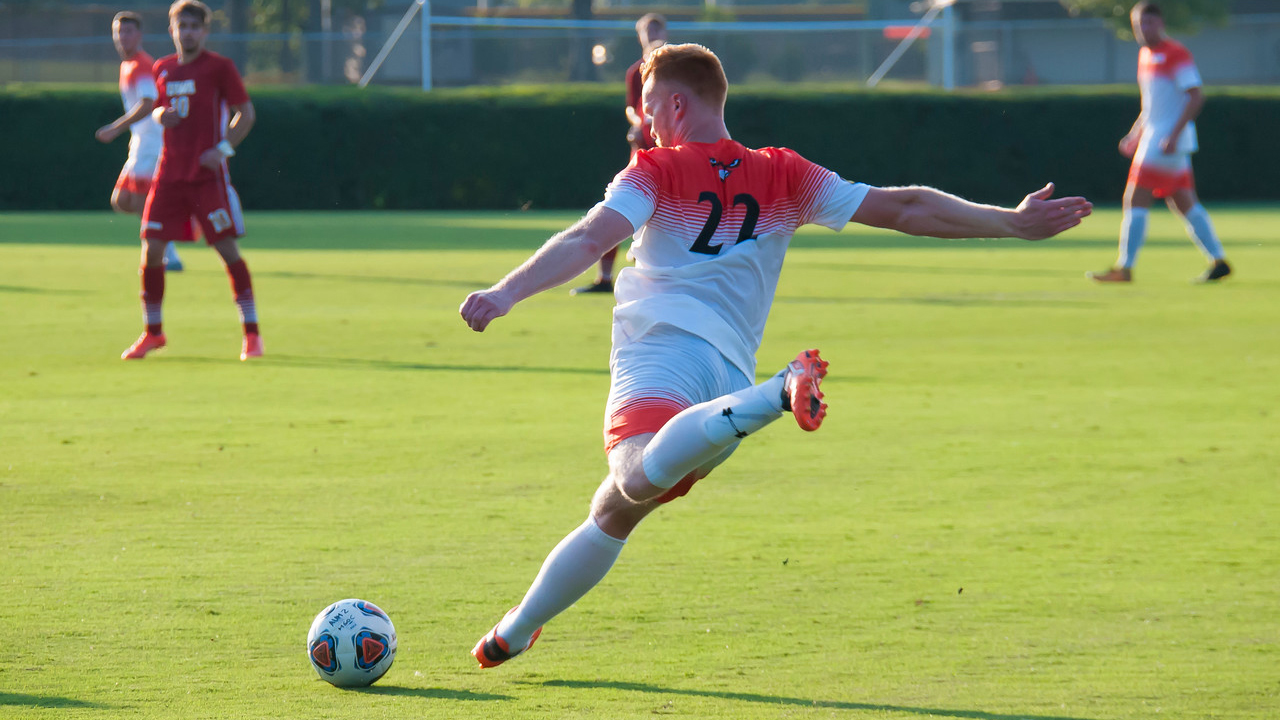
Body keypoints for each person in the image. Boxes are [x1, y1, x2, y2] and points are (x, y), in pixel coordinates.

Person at [459, 43, 1092, 668]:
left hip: (665, 352)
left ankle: (780, 388)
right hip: (724, 381)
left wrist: (507, 290)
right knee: (617, 508)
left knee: (630, 476)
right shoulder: (786, 172)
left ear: (676, 104)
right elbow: (905, 206)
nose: (646, 124)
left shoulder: (653, 171)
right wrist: (1008, 221)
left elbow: (592, 236)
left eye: (650, 108)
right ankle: (517, 628)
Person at [122, 0, 261, 361]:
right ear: (172, 31)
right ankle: (153, 332)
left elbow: (245, 114)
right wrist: (158, 114)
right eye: (182, 26)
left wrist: (223, 148)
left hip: (205, 177)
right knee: (151, 250)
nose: (188, 33)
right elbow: (159, 106)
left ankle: (252, 334)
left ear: (205, 31)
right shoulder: (163, 68)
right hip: (168, 176)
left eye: (195, 27)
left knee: (227, 250)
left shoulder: (219, 68)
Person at [1088, 1, 1231, 284]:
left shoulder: (1175, 53)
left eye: (1149, 22)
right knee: (1184, 203)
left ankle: (1125, 268)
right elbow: (1152, 105)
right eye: (1139, 23)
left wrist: (1173, 135)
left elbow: (1195, 95)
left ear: (1160, 23)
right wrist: (1135, 133)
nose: (1144, 28)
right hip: (1159, 139)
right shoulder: (1145, 55)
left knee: (1134, 198)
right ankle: (1219, 261)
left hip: (1166, 142)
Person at [571, 13, 668, 296]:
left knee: (664, 216)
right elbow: (632, 107)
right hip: (641, 154)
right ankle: (605, 278)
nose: (652, 35)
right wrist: (639, 124)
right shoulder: (635, 71)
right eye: (647, 30)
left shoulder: (680, 70)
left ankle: (654, 274)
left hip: (669, 154)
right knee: (618, 208)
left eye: (656, 29)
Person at [95, 10, 184, 271]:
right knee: (123, 201)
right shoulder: (127, 66)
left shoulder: (142, 64)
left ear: (139, 35)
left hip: (152, 143)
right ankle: (167, 241)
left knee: (143, 200)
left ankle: (168, 254)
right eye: (118, 32)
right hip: (140, 143)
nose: (122, 37)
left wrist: (115, 128)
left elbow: (148, 103)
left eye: (128, 31)